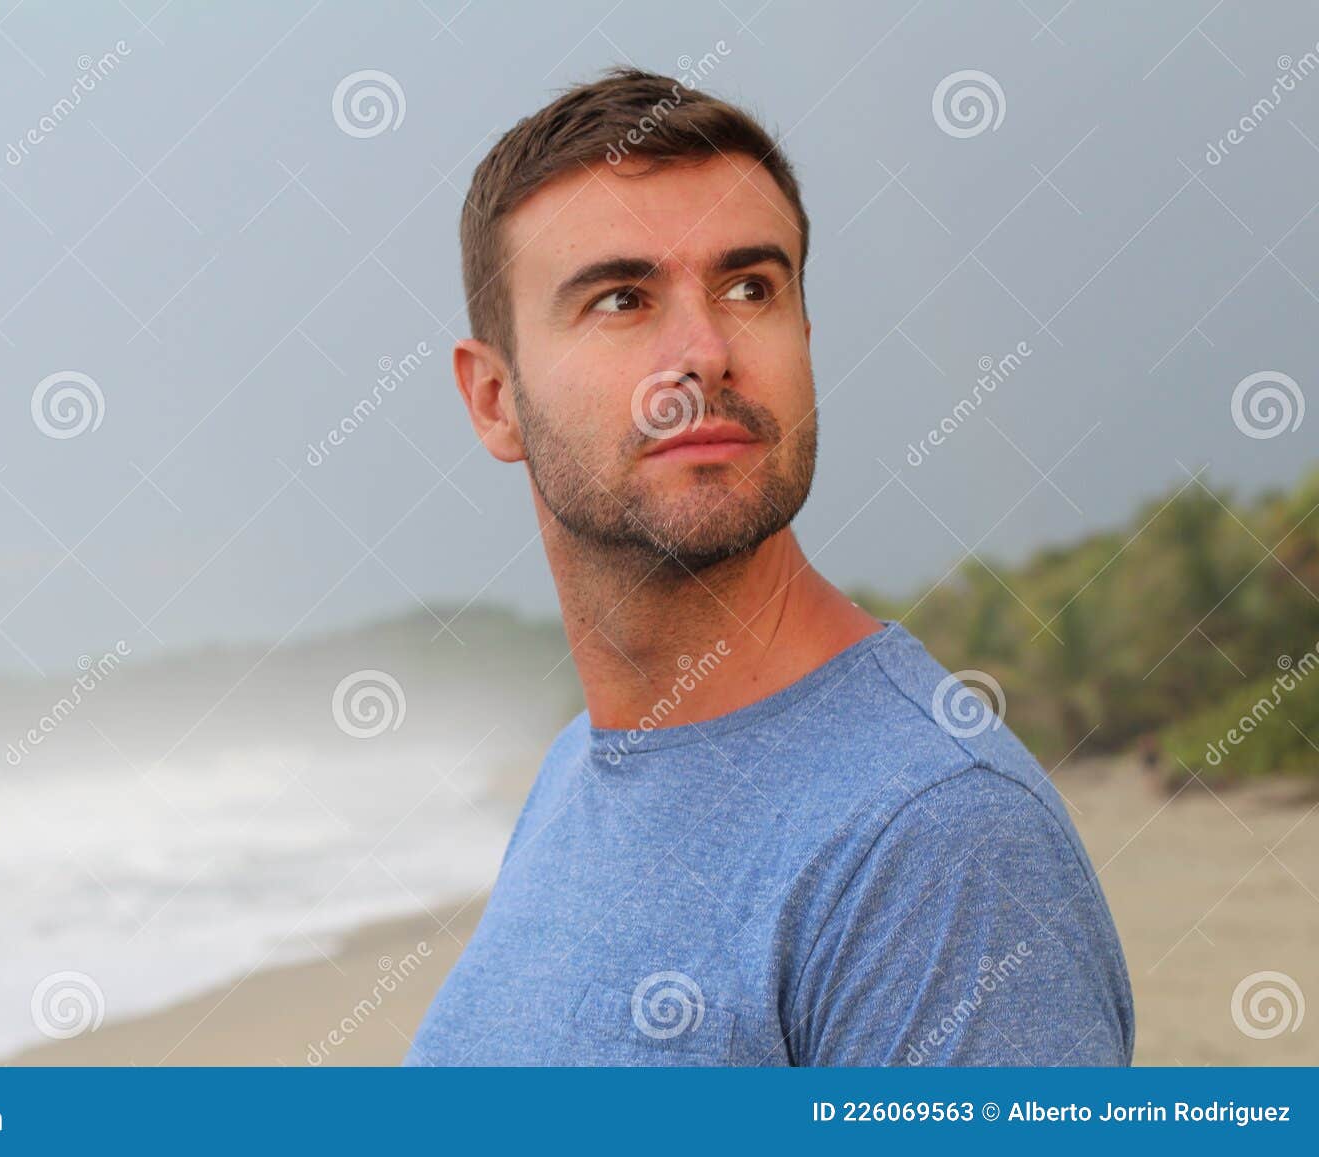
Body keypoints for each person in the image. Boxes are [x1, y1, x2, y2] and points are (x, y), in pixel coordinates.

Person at [405, 67, 1134, 1066]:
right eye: (622, 298)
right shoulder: (581, 767)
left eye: (751, 288)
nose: (702, 351)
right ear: (493, 398)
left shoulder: (934, 837)